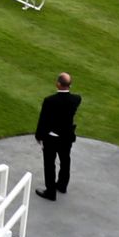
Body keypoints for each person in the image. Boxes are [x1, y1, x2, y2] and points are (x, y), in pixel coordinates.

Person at [34, 73, 80, 202]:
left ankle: (50, 192)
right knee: (65, 161)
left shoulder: (49, 101)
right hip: (67, 137)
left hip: (52, 139)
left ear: (58, 84)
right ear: (70, 85)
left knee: (49, 164)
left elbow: (43, 120)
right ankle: (62, 186)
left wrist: (39, 135)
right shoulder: (76, 99)